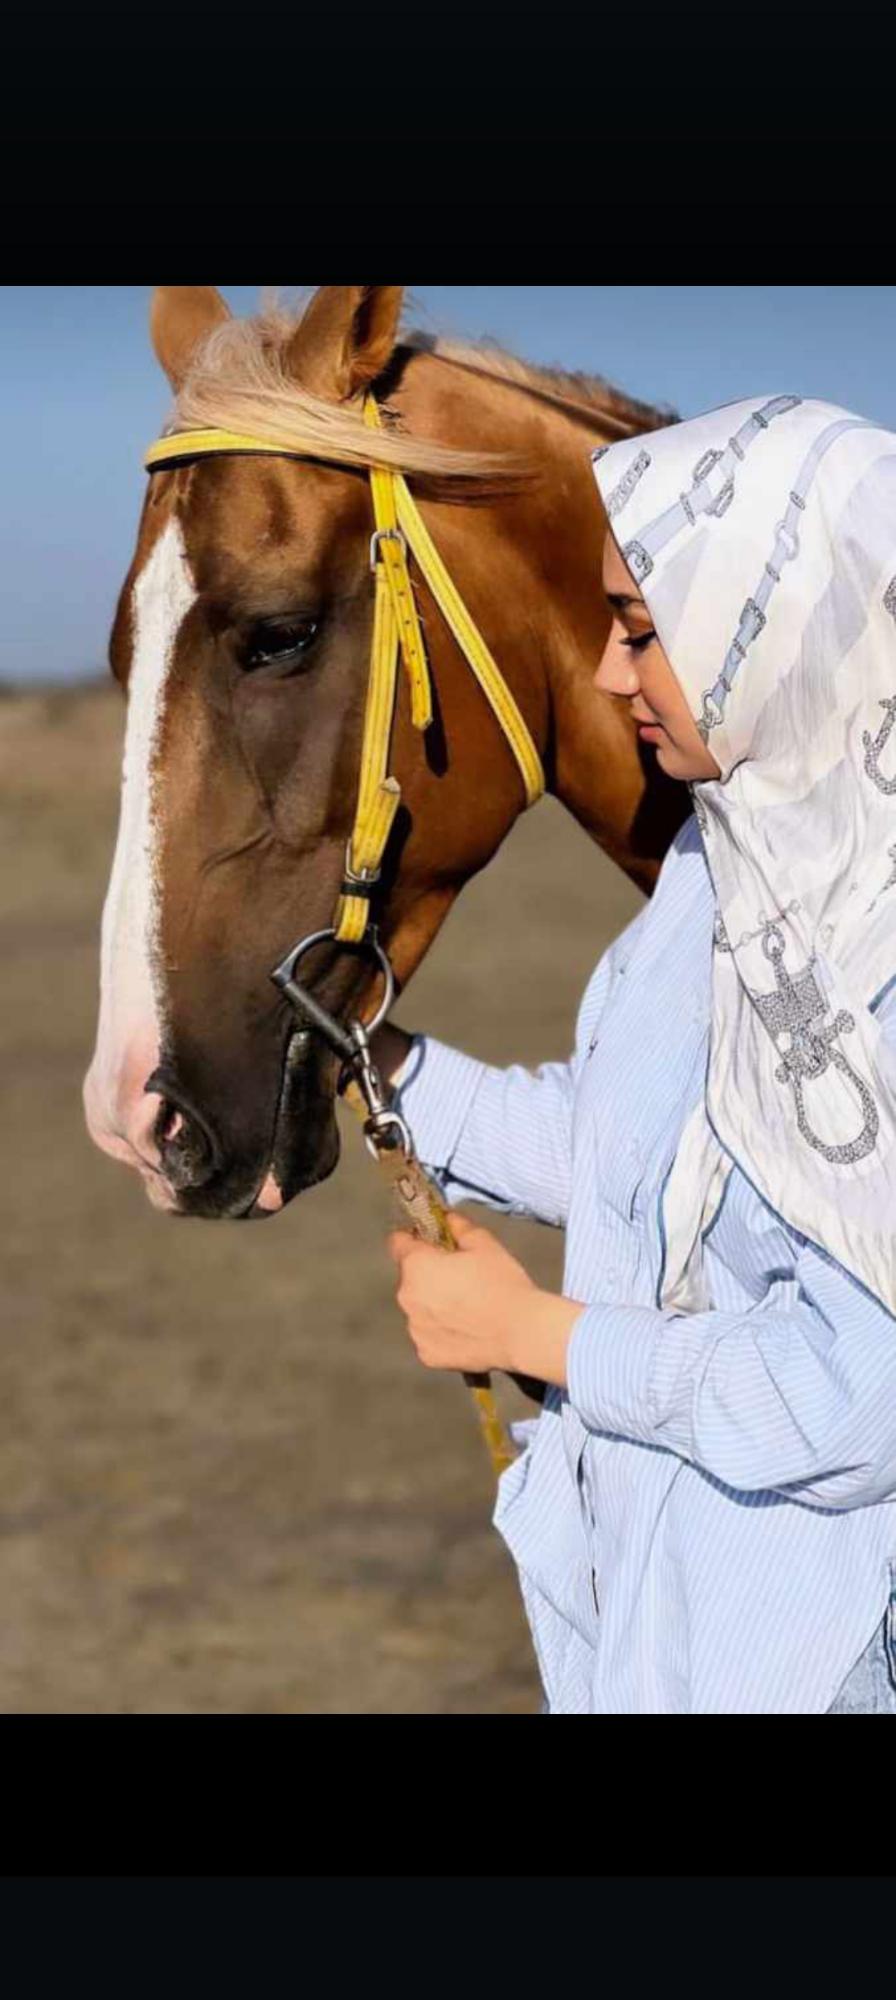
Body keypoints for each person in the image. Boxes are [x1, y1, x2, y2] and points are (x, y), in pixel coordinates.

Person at [373, 392, 896, 1715]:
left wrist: (538, 1333)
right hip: (662, 1629)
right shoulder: (726, 865)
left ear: (775, 628)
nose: (610, 676)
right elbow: (632, 1142)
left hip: (808, 1661)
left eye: (645, 630)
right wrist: (372, 1070)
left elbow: (854, 1391)